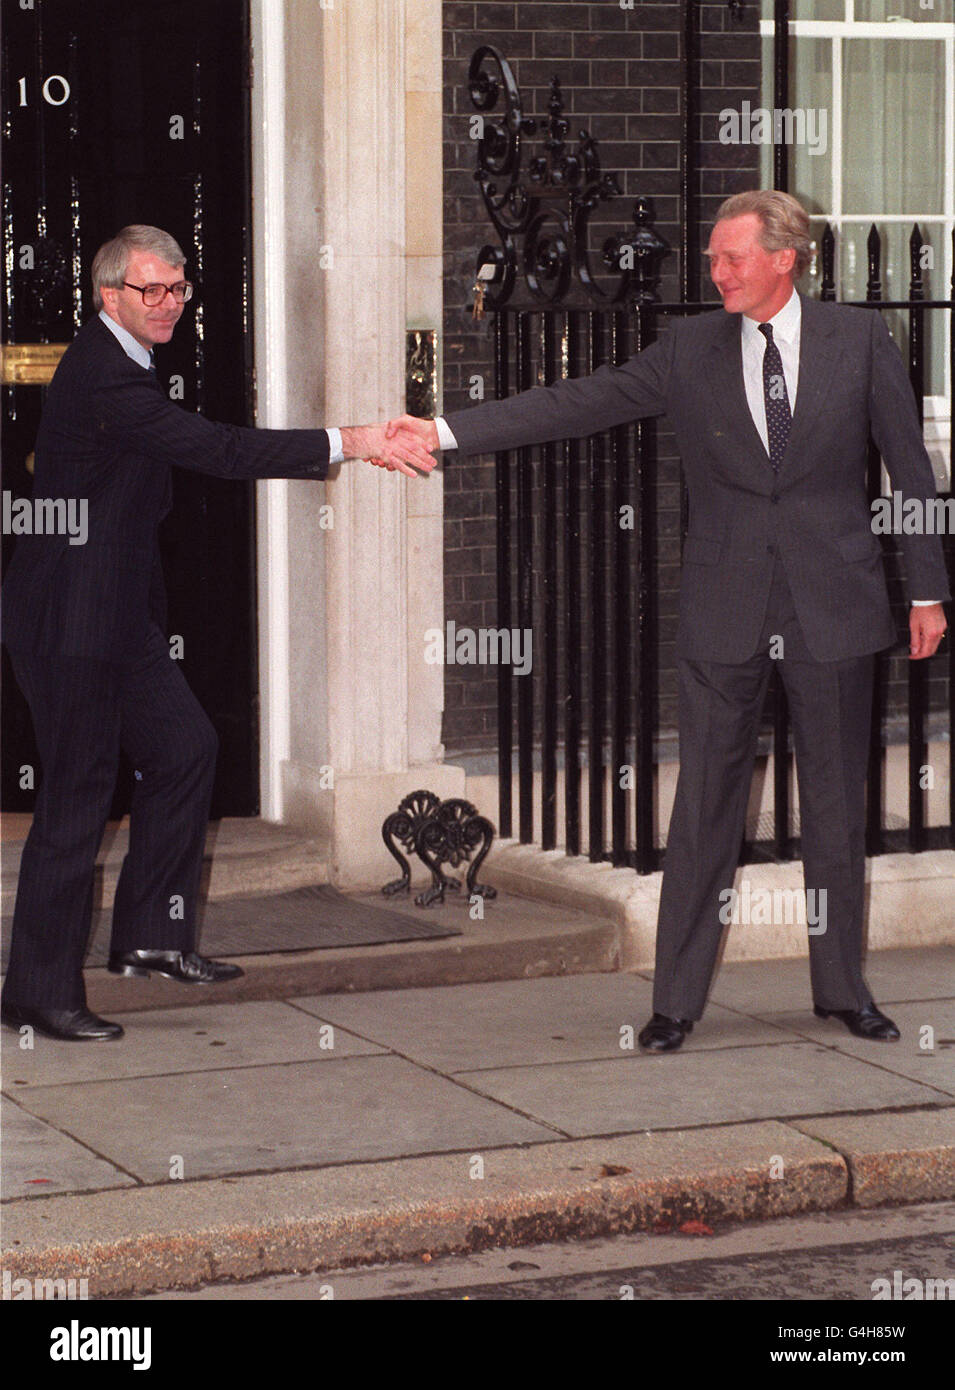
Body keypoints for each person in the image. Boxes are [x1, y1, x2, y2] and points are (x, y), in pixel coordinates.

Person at [386, 189, 950, 1052]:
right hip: (724, 609)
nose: (715, 273)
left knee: (837, 811)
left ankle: (842, 990)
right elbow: (579, 401)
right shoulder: (689, 347)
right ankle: (675, 1003)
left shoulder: (859, 340)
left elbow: (908, 472)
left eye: (731, 258)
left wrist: (923, 592)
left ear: (783, 257)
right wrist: (445, 431)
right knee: (703, 810)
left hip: (834, 607)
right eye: (714, 258)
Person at [1, 224, 435, 1042]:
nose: (167, 305)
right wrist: (356, 441)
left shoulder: (129, 360)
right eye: (149, 291)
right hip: (69, 625)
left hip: (117, 618)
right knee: (76, 799)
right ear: (108, 296)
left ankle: (152, 939)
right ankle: (36, 992)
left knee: (186, 750)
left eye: (177, 288)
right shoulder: (105, 377)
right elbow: (220, 450)